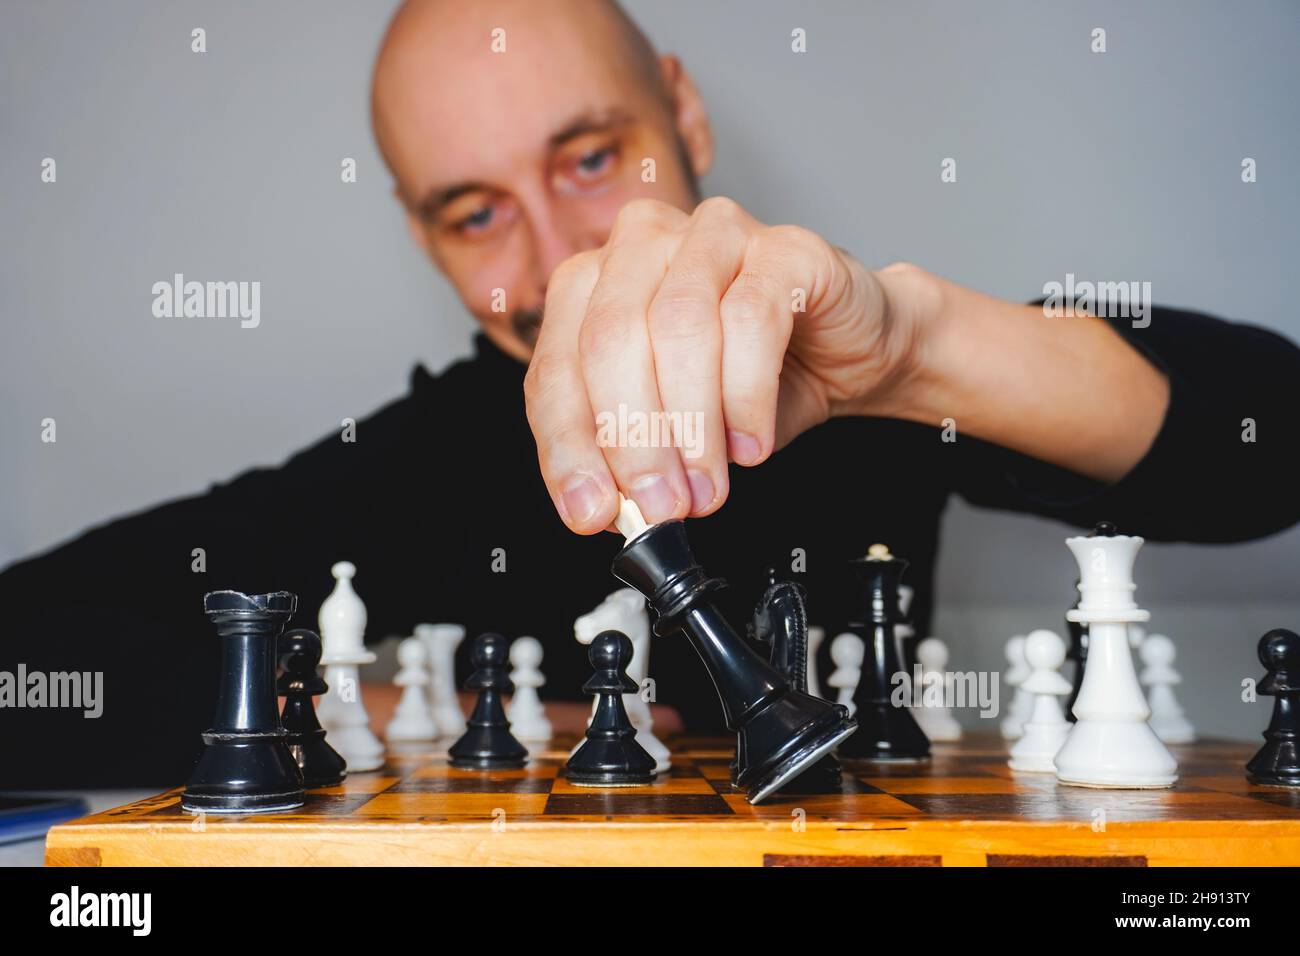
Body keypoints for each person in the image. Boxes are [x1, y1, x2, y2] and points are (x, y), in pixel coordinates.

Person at [2, 0, 1297, 787]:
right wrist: (361, 705)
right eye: (472, 212)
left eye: (589, 157)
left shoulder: (852, 370)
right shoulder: (408, 467)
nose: (559, 260)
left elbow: (1271, 444)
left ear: (683, 111)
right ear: (419, 237)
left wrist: (911, 353)